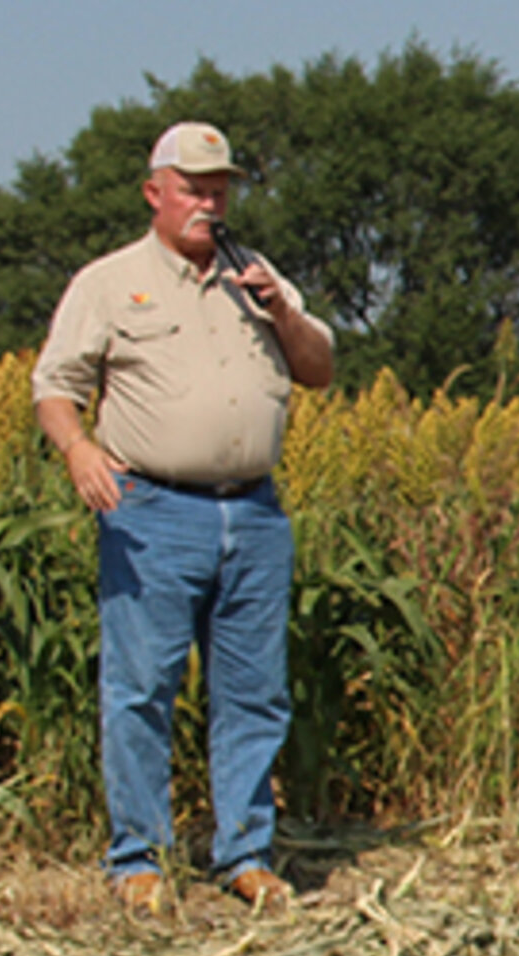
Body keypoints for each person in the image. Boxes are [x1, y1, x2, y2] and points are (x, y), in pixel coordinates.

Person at [31, 121, 336, 913]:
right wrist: (79, 451)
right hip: (154, 510)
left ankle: (244, 853)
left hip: (255, 513)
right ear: (155, 193)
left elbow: (319, 370)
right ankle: (138, 856)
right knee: (142, 688)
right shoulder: (109, 282)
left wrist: (282, 314)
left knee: (255, 692)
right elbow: (54, 384)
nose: (210, 201)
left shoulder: (257, 277)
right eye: (195, 187)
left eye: (221, 188)